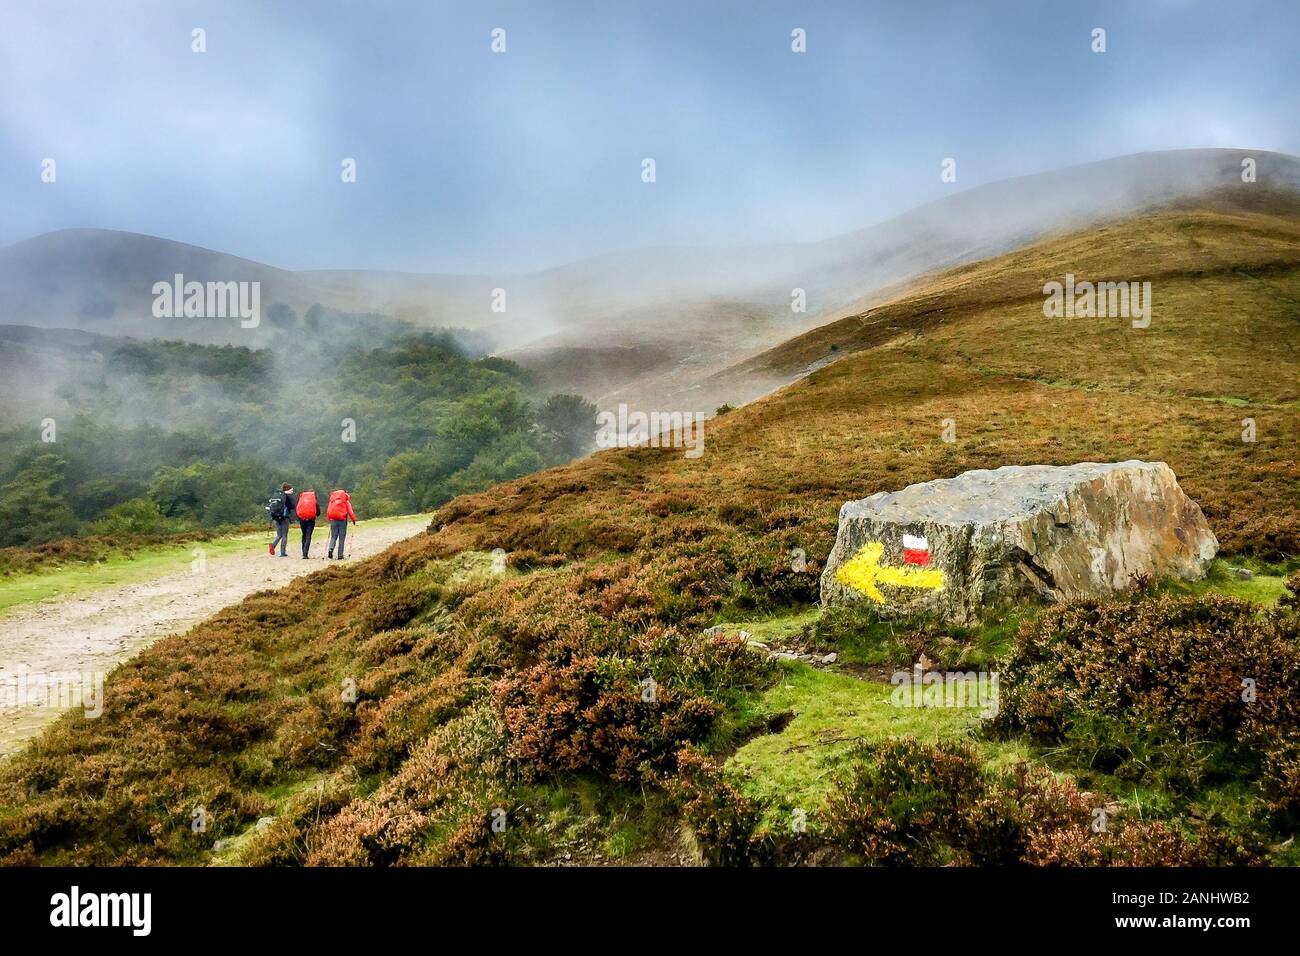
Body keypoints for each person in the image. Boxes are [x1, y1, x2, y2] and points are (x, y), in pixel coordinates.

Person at [325, 488, 357, 559]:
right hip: (342, 520)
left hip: (333, 520)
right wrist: (354, 520)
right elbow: (350, 511)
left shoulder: (332, 500)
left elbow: (328, 510)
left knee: (333, 537)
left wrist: (329, 519)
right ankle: (340, 555)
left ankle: (331, 548)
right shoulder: (345, 501)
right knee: (341, 538)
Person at [269, 483, 295, 557]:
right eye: (291, 490)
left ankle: (273, 546)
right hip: (284, 517)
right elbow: (292, 505)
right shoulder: (286, 496)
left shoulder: (278, 495)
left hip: (276, 517)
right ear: (288, 489)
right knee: (284, 535)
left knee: (279, 534)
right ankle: (283, 552)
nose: (292, 491)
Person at [295, 487, 321, 559]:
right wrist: (315, 515)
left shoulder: (302, 499)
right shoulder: (314, 501)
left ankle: (303, 551)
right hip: (311, 520)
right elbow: (318, 512)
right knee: (308, 535)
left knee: (303, 535)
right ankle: (305, 554)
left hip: (302, 519)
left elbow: (298, 508)